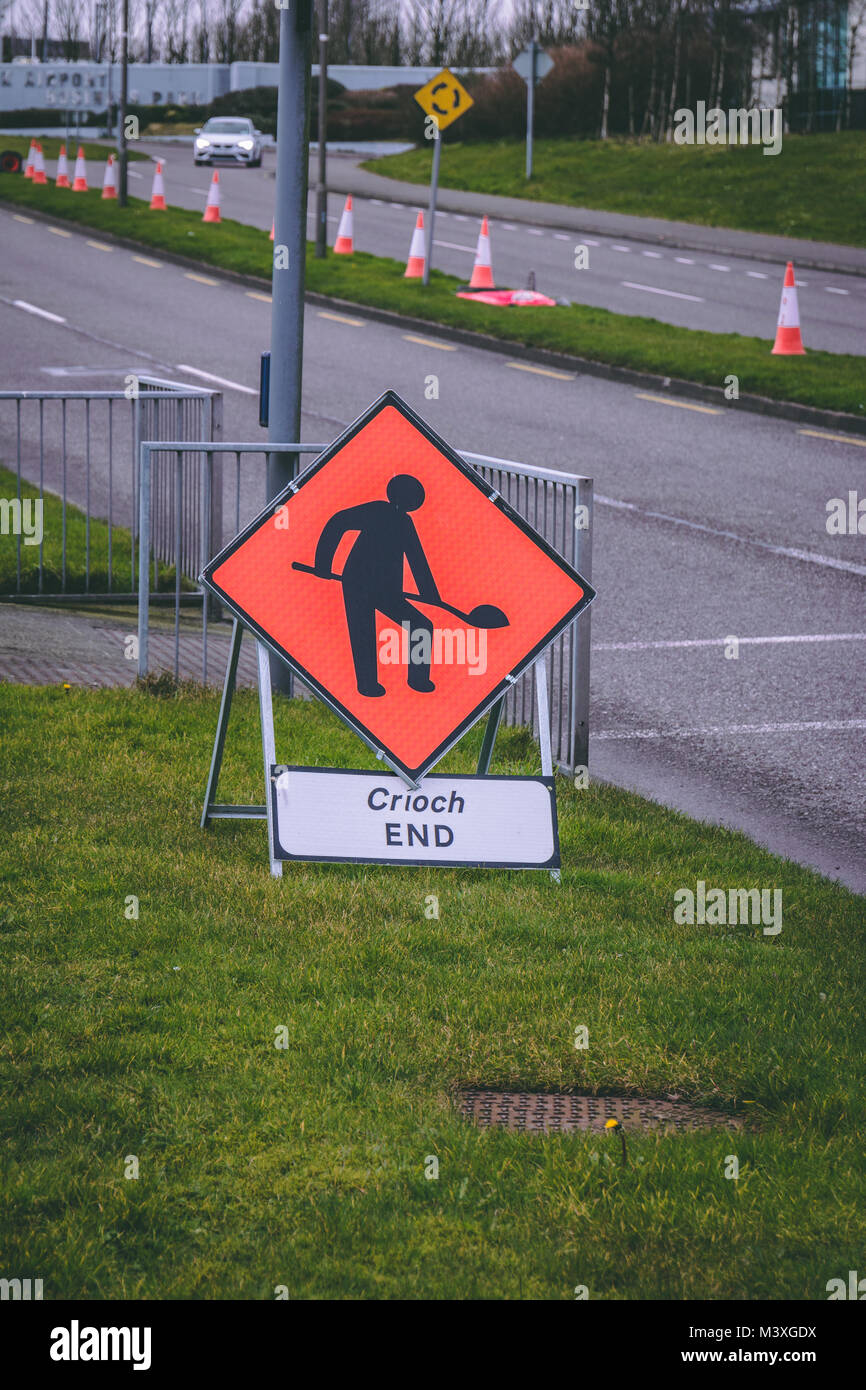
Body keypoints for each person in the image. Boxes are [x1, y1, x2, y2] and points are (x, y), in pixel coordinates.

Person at [311, 475, 440, 697]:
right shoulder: (377, 511)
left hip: (388, 590)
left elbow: (417, 559)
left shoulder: (405, 523)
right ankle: (367, 685)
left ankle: (418, 679)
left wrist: (430, 594)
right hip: (357, 584)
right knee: (363, 633)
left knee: (421, 626)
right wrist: (322, 564)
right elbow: (338, 522)